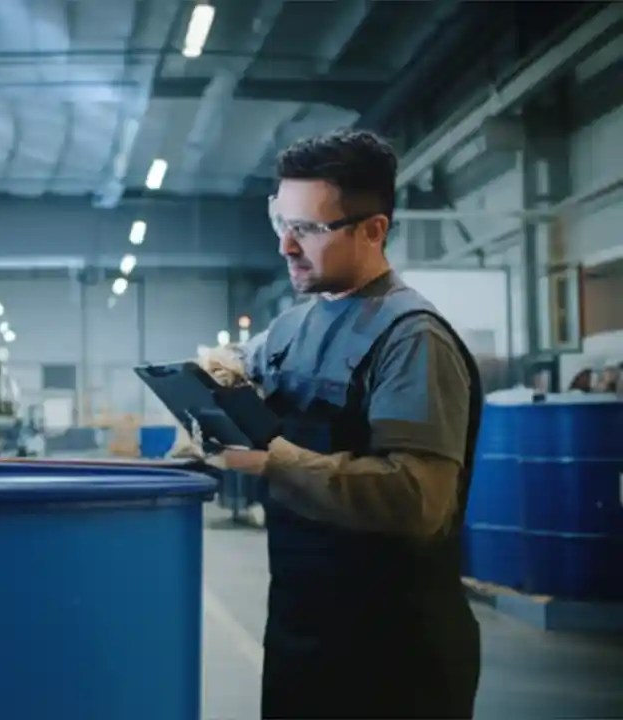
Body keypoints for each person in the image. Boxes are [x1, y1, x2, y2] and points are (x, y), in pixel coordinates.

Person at [211, 129, 484, 718]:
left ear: (373, 229)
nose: (286, 246)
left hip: (394, 658)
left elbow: (418, 499)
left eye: (307, 228)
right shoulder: (290, 328)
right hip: (301, 633)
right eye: (281, 224)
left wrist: (272, 463)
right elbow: (233, 371)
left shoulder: (412, 339)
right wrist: (208, 385)